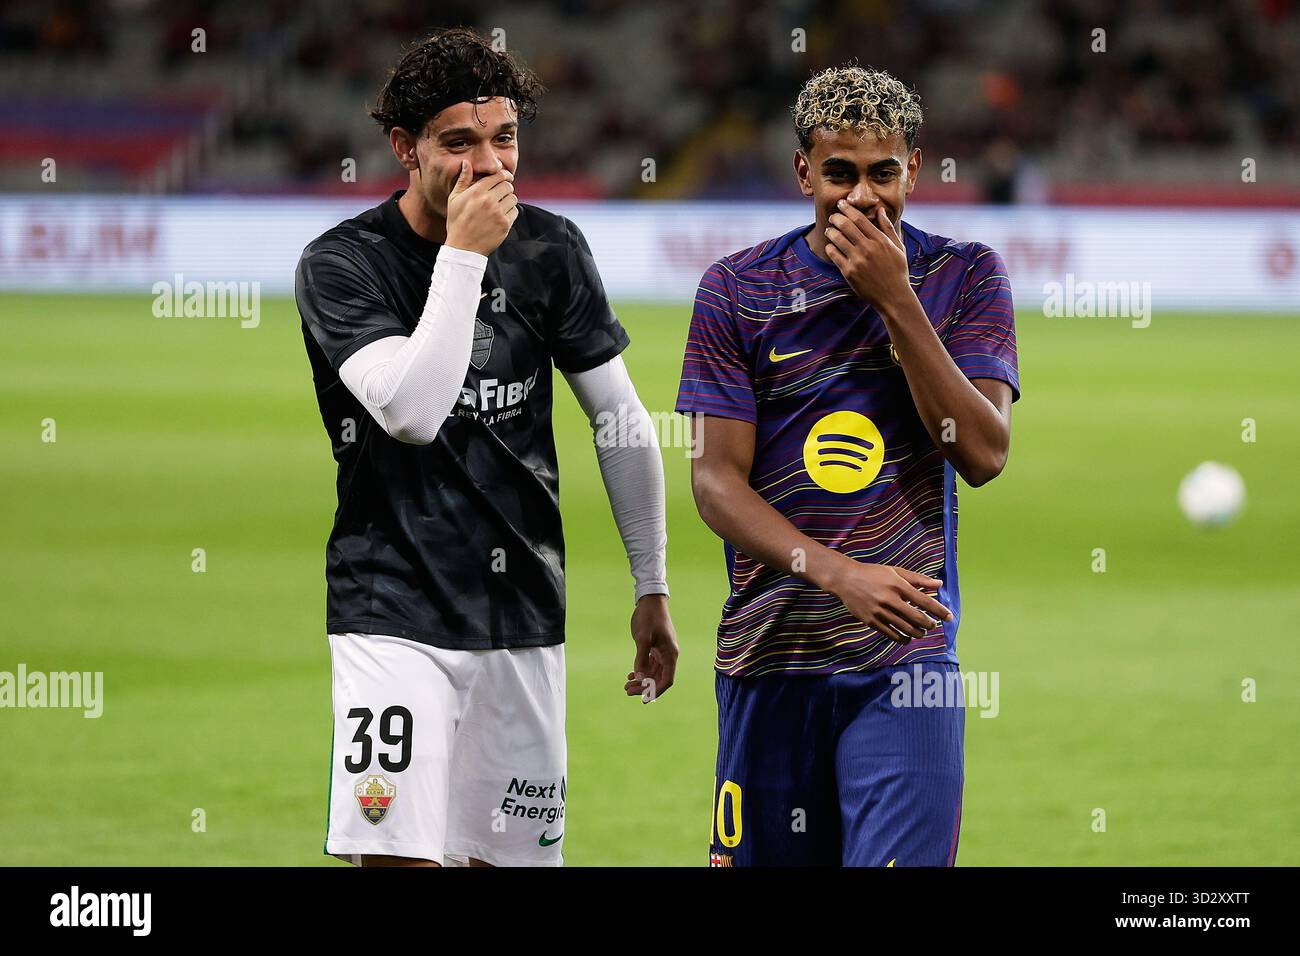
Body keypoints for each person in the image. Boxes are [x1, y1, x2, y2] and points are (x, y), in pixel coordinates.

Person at [295, 27, 677, 868]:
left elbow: (619, 420)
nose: (491, 164)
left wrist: (652, 583)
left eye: (504, 138)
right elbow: (411, 413)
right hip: (390, 608)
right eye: (459, 143)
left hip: (523, 614)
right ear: (405, 147)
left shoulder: (550, 249)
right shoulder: (342, 264)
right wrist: (463, 258)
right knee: (397, 860)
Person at [677, 65, 1019, 866]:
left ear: (915, 170)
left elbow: (981, 452)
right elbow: (715, 483)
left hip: (907, 667)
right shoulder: (737, 290)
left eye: (882, 173)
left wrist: (896, 301)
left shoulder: (964, 276)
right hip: (771, 656)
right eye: (839, 173)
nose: (862, 197)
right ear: (804, 172)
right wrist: (839, 574)